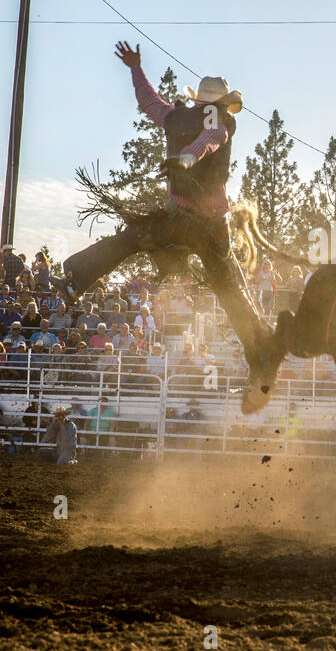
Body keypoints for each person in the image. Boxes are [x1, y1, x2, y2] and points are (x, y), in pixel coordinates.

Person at [111, 40, 279, 413]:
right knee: (229, 287)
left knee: (150, 246)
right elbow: (207, 141)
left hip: (178, 217)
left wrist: (136, 68)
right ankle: (262, 355)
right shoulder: (220, 124)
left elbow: (150, 104)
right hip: (210, 223)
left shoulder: (179, 118)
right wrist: (188, 159)